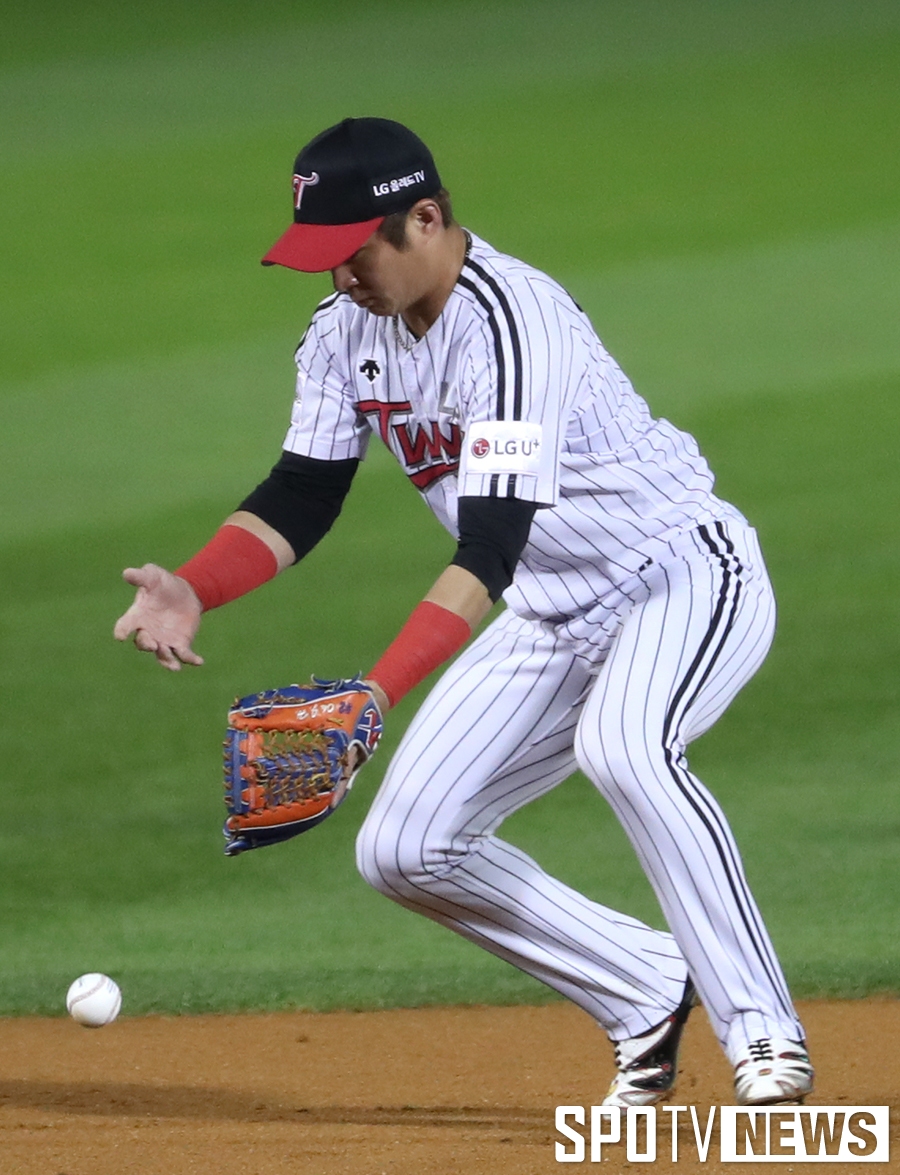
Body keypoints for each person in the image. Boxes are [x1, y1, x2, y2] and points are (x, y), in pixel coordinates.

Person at [114, 117, 814, 1107]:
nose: (339, 276)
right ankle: (647, 984)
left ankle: (765, 1034)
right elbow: (304, 490)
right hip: (547, 610)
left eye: (352, 251)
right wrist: (197, 582)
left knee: (628, 747)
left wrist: (375, 692)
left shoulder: (516, 322)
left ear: (426, 220)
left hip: (677, 575)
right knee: (406, 846)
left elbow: (490, 541)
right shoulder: (344, 332)